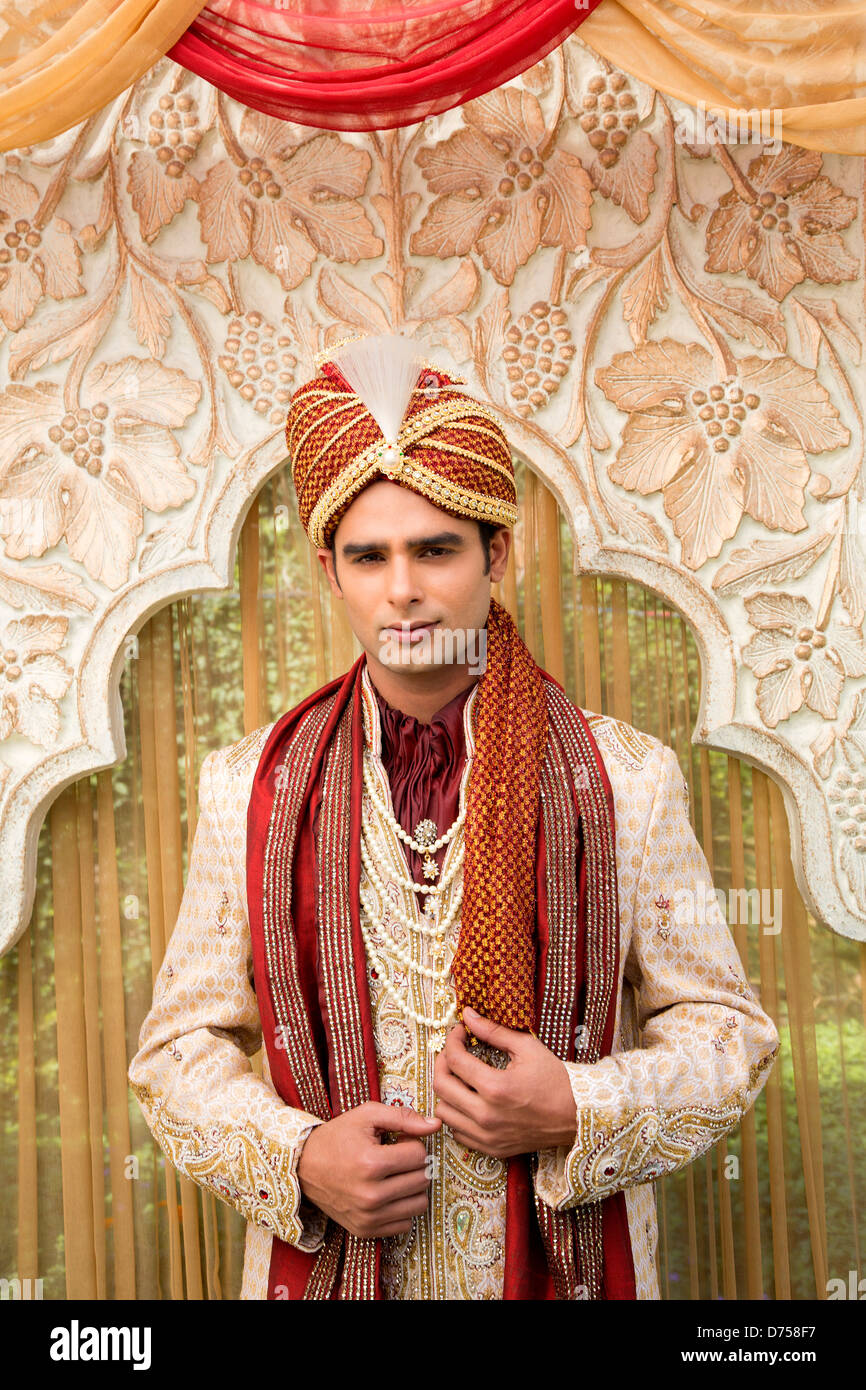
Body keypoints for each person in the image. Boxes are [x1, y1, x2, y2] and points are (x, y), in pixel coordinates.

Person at [129, 334, 779, 1301]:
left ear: (496, 551)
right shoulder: (250, 787)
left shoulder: (624, 776)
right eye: (369, 556)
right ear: (328, 567)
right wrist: (302, 1157)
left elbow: (729, 1034)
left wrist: (576, 1105)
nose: (402, 589)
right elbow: (176, 1054)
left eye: (434, 549)